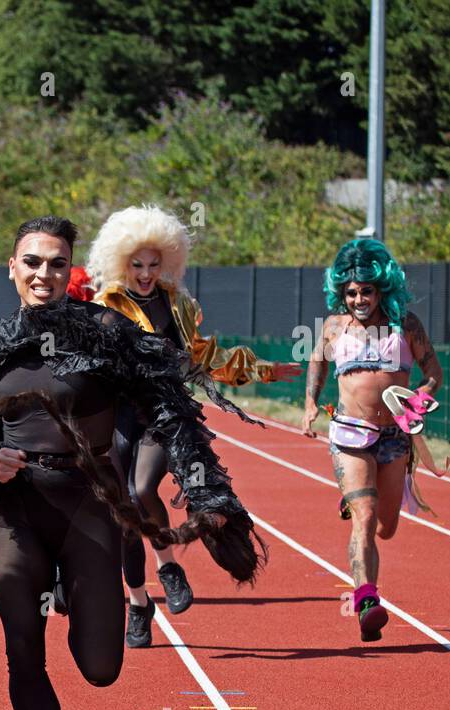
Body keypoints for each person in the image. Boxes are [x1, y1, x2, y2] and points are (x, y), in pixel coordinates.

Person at [0, 215, 265, 710]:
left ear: (74, 272)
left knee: (100, 667)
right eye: (32, 262)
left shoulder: (109, 335)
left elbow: (173, 413)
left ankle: (75, 591)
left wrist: (207, 490)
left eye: (56, 263)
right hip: (16, 512)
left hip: (90, 505)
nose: (43, 274)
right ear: (11, 269)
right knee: (22, 652)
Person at [85, 205, 300, 646]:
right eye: (137, 265)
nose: (146, 273)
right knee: (121, 515)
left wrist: (263, 370)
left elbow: (208, 358)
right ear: (120, 263)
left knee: (140, 490)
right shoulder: (104, 305)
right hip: (118, 415)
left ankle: (167, 566)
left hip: (165, 414)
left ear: (169, 261)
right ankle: (139, 603)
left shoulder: (178, 303)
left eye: (154, 264)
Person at [302, 238, 444, 641]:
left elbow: (433, 369)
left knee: (387, 527)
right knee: (364, 518)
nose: (358, 299)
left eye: (366, 290)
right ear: (340, 293)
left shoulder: (406, 325)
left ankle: (360, 498)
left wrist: (421, 397)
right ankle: (367, 601)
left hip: (395, 437)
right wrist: (311, 402)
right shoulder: (333, 327)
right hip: (349, 433)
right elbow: (317, 361)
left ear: (381, 288)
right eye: (350, 292)